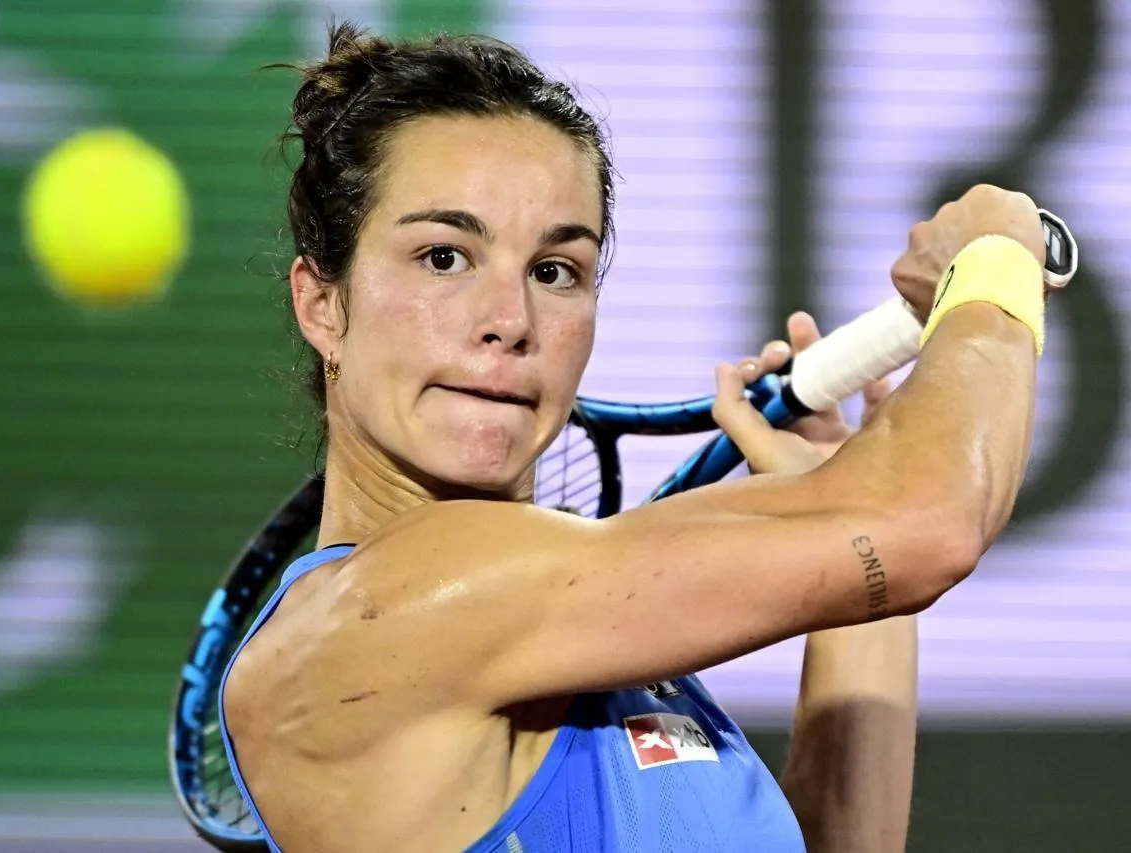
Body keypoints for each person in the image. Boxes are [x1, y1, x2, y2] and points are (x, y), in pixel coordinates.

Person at [220, 21, 1050, 853]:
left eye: (555, 271)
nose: (509, 321)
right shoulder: (378, 615)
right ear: (322, 304)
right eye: (444, 257)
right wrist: (994, 261)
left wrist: (837, 508)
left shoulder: (576, 626)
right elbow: (931, 521)